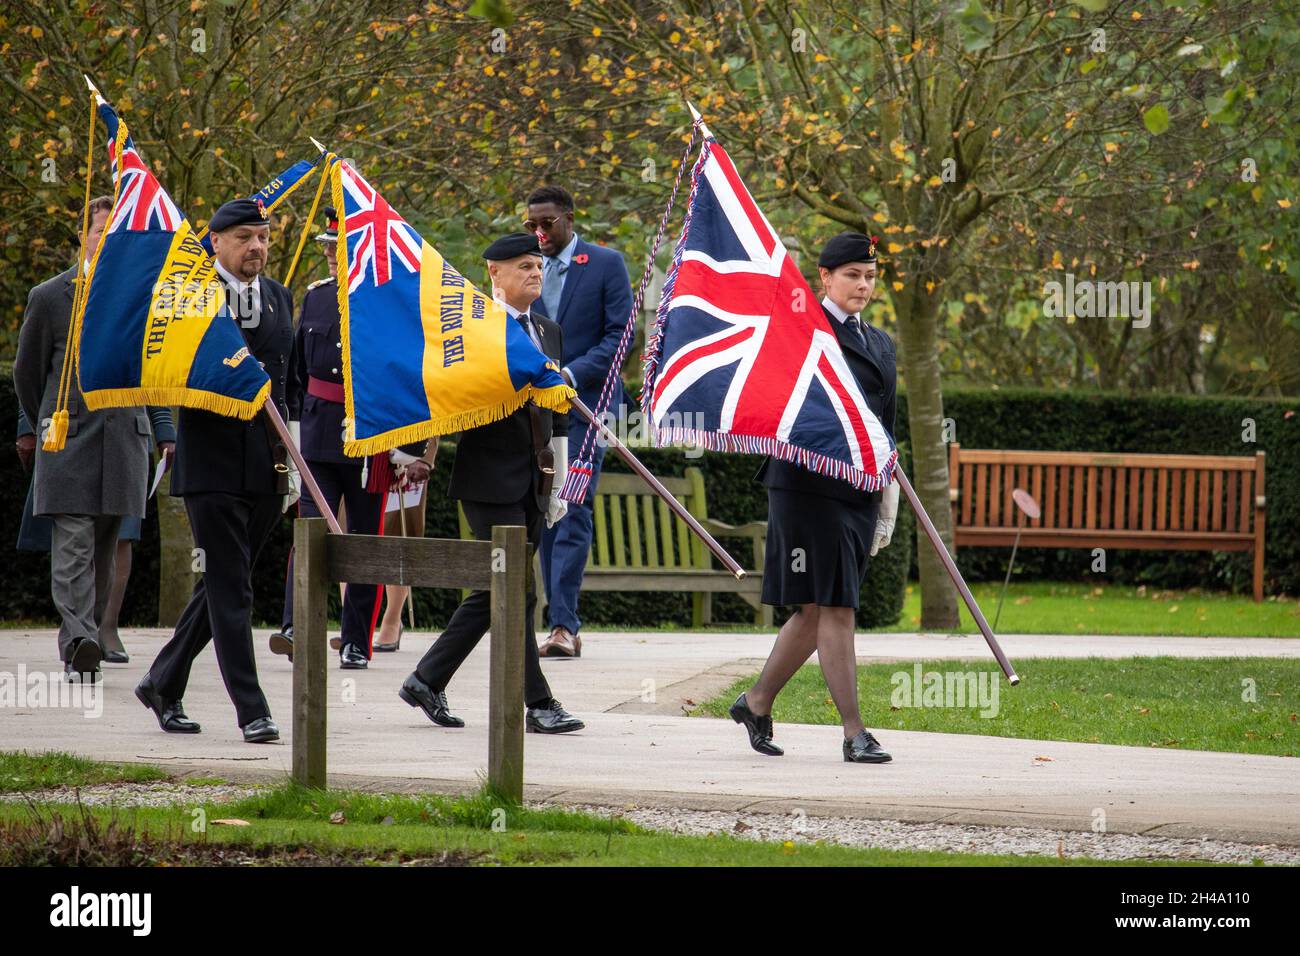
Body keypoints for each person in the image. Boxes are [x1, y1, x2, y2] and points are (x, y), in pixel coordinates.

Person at [398, 232, 582, 734]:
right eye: (522, 266)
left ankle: (426, 679)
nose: (534, 274)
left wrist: (560, 481)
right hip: (488, 479)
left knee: (502, 588)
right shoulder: (475, 328)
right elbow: (450, 395)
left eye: (538, 267)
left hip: (536, 481)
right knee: (514, 586)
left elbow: (557, 416)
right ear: (494, 274)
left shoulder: (549, 330)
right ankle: (538, 703)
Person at [730, 232, 902, 763]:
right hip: (807, 487)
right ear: (824, 278)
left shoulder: (880, 343)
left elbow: (883, 427)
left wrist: (888, 487)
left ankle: (756, 702)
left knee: (812, 611)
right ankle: (854, 733)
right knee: (836, 608)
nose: (863, 285)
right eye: (852, 275)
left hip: (857, 492)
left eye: (870, 276)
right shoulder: (802, 332)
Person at [135, 197, 300, 743]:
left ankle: (163, 680)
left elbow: (290, 384)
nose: (257, 247)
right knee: (233, 588)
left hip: (267, 466)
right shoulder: (191, 298)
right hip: (210, 465)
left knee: (229, 582)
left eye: (264, 238)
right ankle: (252, 710)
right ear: (216, 242)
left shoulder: (278, 297)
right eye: (245, 237)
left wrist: (293, 458)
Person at [13, 195, 175, 681]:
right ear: (83, 235)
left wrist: (161, 430)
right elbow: (28, 373)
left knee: (106, 549)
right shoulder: (50, 297)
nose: (107, 240)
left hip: (125, 439)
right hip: (68, 440)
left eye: (116, 233)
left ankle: (92, 633)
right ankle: (79, 640)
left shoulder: (144, 297)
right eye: (100, 230)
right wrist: (46, 417)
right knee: (74, 546)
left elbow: (157, 371)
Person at [267, 206, 430, 668]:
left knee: (365, 540)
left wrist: (408, 448)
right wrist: (291, 437)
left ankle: (357, 640)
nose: (334, 256)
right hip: (318, 433)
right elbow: (296, 376)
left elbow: (408, 377)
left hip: (370, 439)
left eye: (344, 248)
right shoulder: (316, 297)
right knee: (310, 531)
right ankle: (296, 625)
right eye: (328, 248)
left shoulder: (387, 301)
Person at [525, 185, 632, 659]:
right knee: (544, 509)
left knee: (571, 506)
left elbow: (620, 337)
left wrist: (568, 373)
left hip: (587, 406)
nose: (539, 233)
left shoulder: (606, 264)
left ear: (569, 218)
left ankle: (564, 626)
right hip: (532, 412)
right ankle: (550, 618)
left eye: (546, 223)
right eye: (531, 225)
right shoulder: (524, 266)